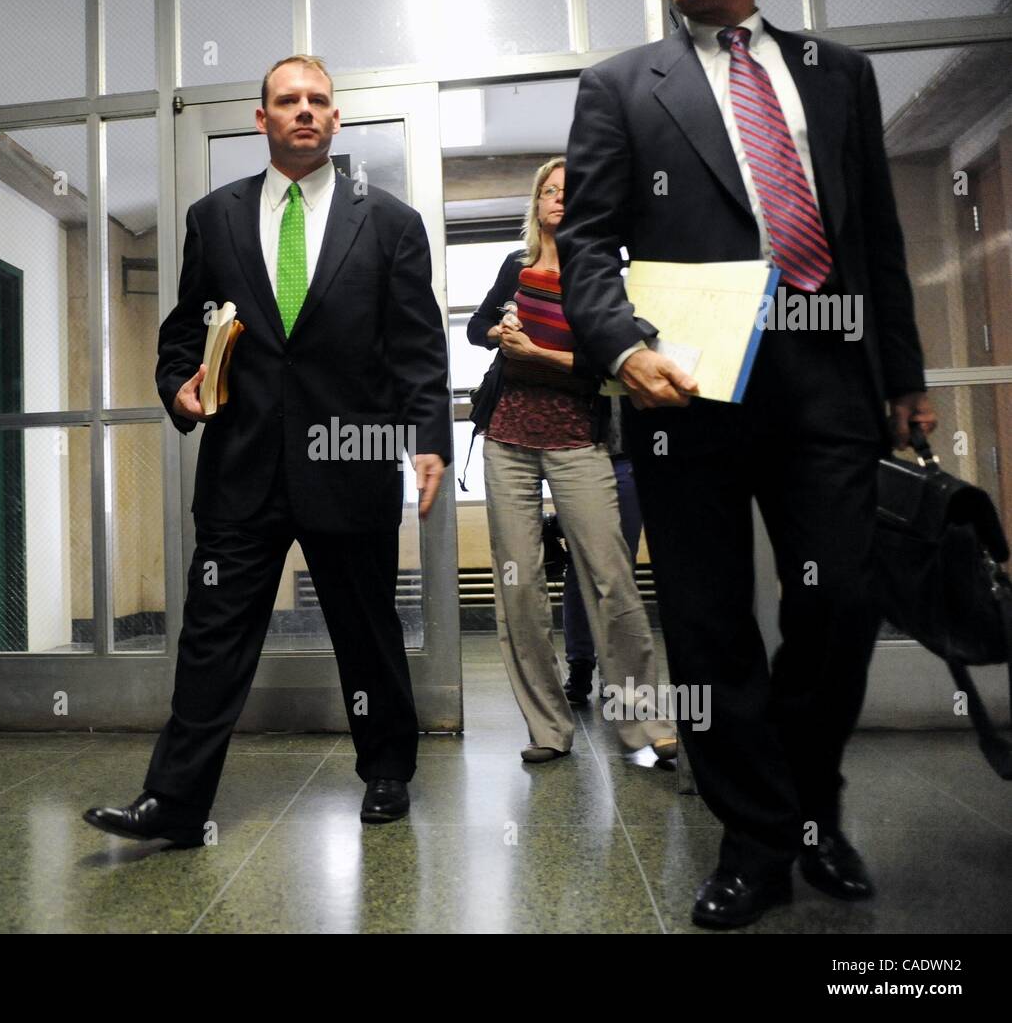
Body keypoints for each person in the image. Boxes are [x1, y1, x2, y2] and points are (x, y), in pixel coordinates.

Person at [557, 0, 938, 927]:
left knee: (845, 596)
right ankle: (756, 838)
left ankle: (809, 808)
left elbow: (876, 239)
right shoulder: (619, 87)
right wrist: (620, 346)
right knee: (707, 620)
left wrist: (903, 377)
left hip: (826, 377)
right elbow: (588, 245)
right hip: (686, 386)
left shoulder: (837, 73)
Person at [85, 55, 452, 846]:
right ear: (262, 120)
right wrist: (178, 383)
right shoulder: (213, 217)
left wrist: (427, 440)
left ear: (336, 119)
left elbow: (417, 349)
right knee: (212, 636)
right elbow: (185, 329)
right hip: (243, 464)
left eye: (319, 100)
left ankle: (387, 770)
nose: (305, 111)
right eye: (288, 100)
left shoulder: (388, 221)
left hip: (350, 457)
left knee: (366, 629)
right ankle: (176, 802)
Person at [467, 156, 675, 766]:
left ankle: (646, 723)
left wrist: (544, 354)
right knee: (520, 586)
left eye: (570, 192)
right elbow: (478, 326)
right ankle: (548, 727)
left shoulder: (605, 273)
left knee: (611, 580)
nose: (558, 199)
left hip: (580, 438)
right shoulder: (516, 265)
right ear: (537, 205)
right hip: (508, 438)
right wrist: (498, 333)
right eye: (549, 192)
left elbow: (617, 358)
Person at [558, 405, 644, 707]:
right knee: (579, 567)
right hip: (576, 457)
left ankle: (616, 672)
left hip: (627, 458)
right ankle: (580, 666)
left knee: (620, 567)